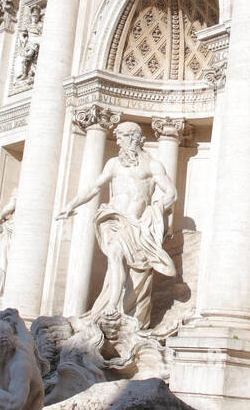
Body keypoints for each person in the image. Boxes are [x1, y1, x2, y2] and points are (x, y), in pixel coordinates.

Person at [58, 121, 177, 328]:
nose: (119, 142)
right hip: (114, 219)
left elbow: (171, 194)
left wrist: (153, 214)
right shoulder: (113, 164)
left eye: (121, 137)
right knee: (114, 254)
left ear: (133, 137)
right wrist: (71, 204)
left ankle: (116, 308)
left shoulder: (152, 165)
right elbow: (94, 188)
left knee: (121, 261)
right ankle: (111, 304)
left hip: (136, 224)